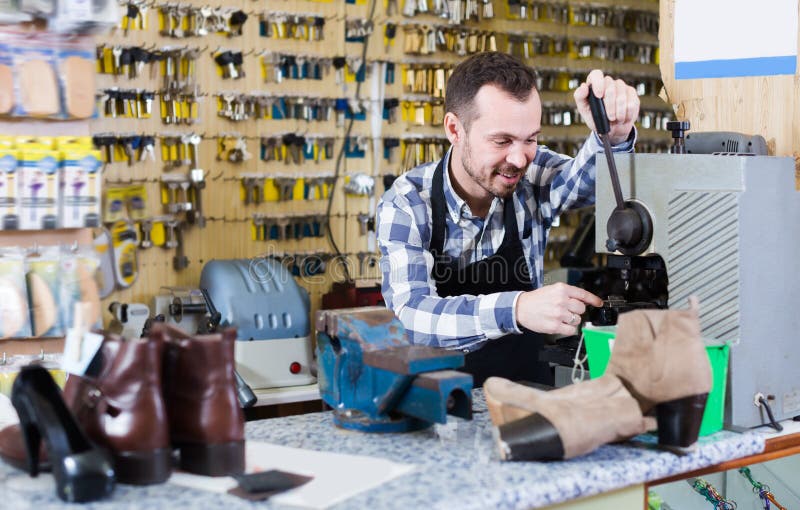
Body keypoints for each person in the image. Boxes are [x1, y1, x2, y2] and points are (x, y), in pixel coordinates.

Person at [376, 52, 641, 386]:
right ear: (455, 130)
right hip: (442, 408)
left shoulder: (530, 177)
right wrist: (516, 309)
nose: (518, 159)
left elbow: (586, 184)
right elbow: (412, 318)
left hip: (526, 394)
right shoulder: (408, 203)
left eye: (530, 139)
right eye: (501, 141)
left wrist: (613, 135)